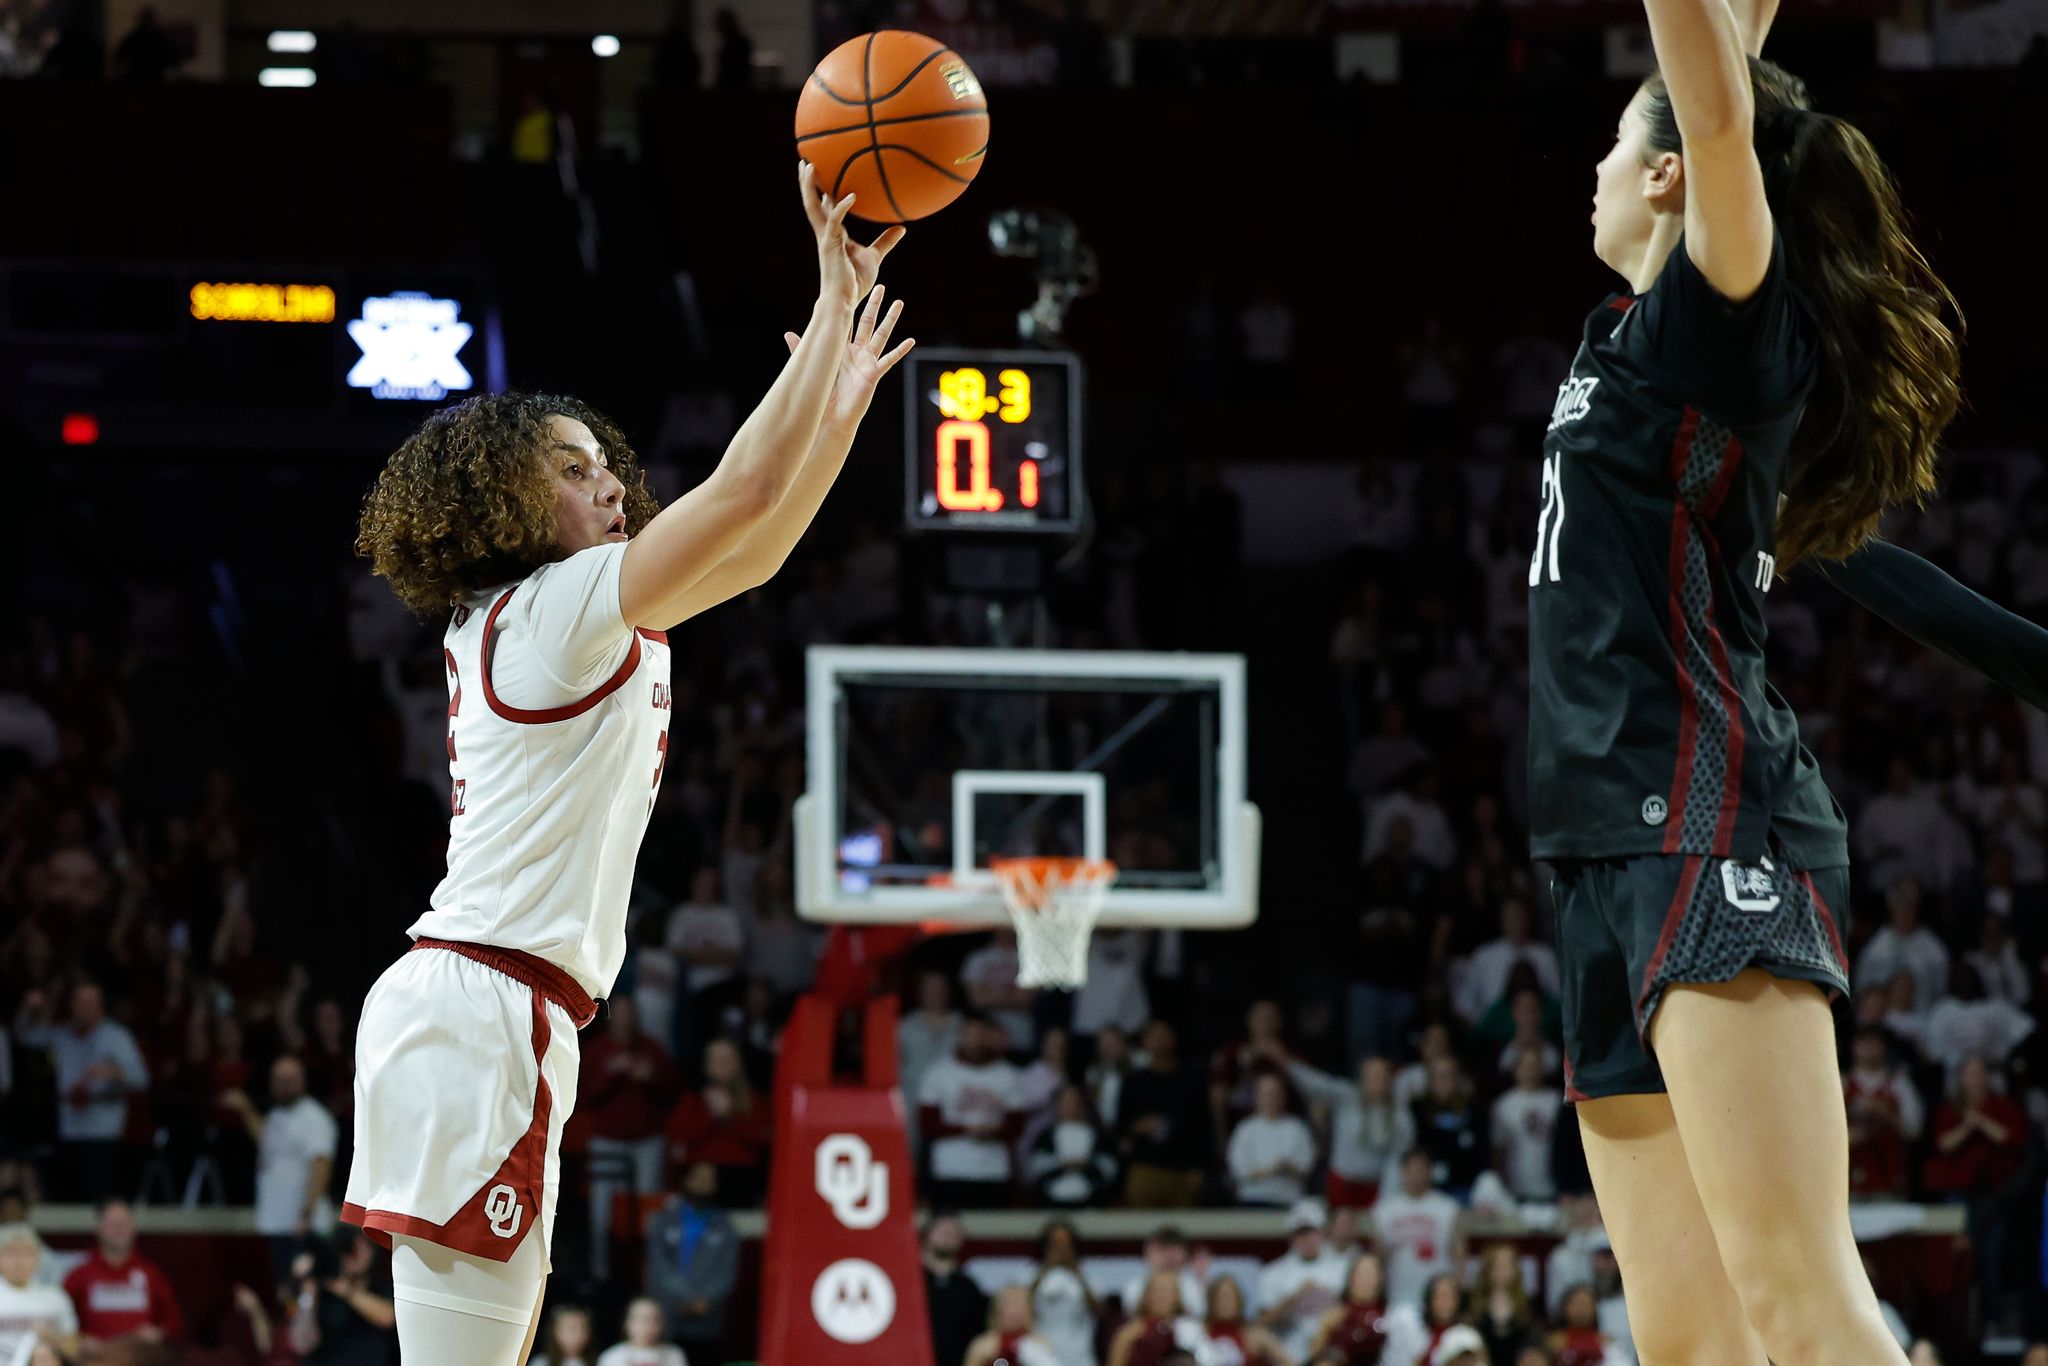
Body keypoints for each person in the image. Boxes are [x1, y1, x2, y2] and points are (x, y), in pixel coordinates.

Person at [341, 164, 912, 1365]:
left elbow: (751, 553)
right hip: (480, 1010)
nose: (603, 474)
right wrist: (819, 319)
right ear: (496, 499)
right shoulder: (548, 609)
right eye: (565, 463)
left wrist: (840, 404)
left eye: (601, 455)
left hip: (500, 1009)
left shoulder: (561, 612)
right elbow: (744, 488)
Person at [1526, 0, 1967, 1347]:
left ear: (1669, 170)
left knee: (1797, 1294)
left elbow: (1715, 91)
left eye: (1619, 137)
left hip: (1713, 821)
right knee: (1691, 1340)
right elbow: (1729, 55)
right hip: (1605, 842)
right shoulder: (1633, 331)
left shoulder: (1722, 315)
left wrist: (1702, 54)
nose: (1594, 165)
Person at [12, 982, 149, 1201]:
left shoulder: (117, 1036)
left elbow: (141, 1079)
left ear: (100, 1008)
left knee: (99, 1201)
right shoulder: (62, 1034)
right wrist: (27, 1010)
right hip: (68, 1132)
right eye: (78, 1002)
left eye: (89, 1003)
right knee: (68, 1201)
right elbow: (25, 1036)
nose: (82, 1008)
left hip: (102, 1135)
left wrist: (115, 1072)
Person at [578, 996, 679, 1278]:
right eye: (620, 1012)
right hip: (607, 1140)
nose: (625, 1017)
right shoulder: (597, 1050)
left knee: (649, 1212)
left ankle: (647, 1273)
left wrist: (651, 1077)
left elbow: (672, 1092)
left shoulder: (651, 1049)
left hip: (647, 1141)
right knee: (601, 1212)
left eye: (629, 1011)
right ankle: (600, 1274)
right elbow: (582, 1097)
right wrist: (612, 1074)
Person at [223, 1054, 338, 1292]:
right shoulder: (277, 1115)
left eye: (290, 1079)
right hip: (280, 1225)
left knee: (303, 1296)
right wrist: (245, 1110)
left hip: (304, 1228)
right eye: (279, 1079)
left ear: (303, 1081)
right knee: (286, 1294)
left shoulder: (313, 1118)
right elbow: (265, 1139)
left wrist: (306, 1214)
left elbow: (321, 1165)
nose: (284, 1085)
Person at [918, 1014, 1026, 1208]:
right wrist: (965, 1130)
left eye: (980, 1035)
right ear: (960, 1035)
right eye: (970, 1034)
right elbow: (927, 1123)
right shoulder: (939, 1072)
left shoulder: (1008, 1074)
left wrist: (992, 1132)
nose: (975, 1041)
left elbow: (1018, 1124)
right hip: (949, 1168)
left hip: (993, 1169)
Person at [1285, 1053, 1413, 1208]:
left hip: (1376, 1186)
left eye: (1382, 1076)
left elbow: (1399, 1156)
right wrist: (1285, 1063)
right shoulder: (1348, 1097)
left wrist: (1388, 1195)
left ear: (1390, 1080)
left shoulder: (1399, 1114)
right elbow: (1315, 1084)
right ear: (1363, 1079)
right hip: (1342, 1183)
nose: (1378, 1081)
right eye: (1373, 1076)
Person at [641, 1163, 737, 1361]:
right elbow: (658, 1265)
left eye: (709, 1178)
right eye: (699, 1176)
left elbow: (728, 1270)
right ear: (686, 1180)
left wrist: (704, 1300)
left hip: (707, 1315)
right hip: (666, 1313)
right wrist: (684, 1299)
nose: (704, 1183)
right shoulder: (663, 1220)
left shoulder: (726, 1226)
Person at [62, 1199, 184, 1351]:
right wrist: (79, 1340)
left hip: (140, 1357)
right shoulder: (80, 1274)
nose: (119, 1229)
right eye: (113, 1224)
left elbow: (174, 1322)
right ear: (99, 1227)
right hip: (97, 1359)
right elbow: (59, 1318)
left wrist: (158, 1333)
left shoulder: (150, 1273)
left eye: (124, 1223)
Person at [663, 1038, 769, 1206]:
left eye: (727, 1060)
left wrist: (730, 1117)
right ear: (707, 1064)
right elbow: (681, 1136)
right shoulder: (694, 1098)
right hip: (701, 1174)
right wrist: (711, 1115)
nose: (722, 1065)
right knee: (702, 1177)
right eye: (716, 1060)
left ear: (737, 1064)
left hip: (741, 1175)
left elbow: (761, 1139)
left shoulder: (753, 1100)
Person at [1118, 1021, 1211, 1208]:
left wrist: (1200, 1168)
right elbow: (1120, 1127)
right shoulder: (1134, 1082)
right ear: (1145, 1041)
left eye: (1164, 1035)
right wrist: (1138, 1126)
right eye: (1154, 1036)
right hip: (1145, 1169)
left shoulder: (1192, 1080)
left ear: (1174, 1039)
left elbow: (1204, 1127)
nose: (1159, 1041)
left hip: (1184, 1169)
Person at [1255, 1198, 1348, 1362]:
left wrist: (1330, 1301)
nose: (1308, 1239)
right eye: (1301, 1233)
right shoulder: (1273, 1272)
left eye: (1312, 1232)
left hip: (1332, 1351)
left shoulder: (1342, 1267)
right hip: (1287, 1354)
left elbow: (1354, 1310)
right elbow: (1261, 1324)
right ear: (1291, 1237)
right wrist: (1293, 1299)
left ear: (1323, 1233)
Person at [1370, 1150, 1464, 1313]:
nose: (1417, 1174)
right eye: (1412, 1169)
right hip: (1398, 1296)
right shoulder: (1385, 1210)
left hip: (1438, 1298)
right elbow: (1377, 1258)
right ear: (1403, 1171)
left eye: (1422, 1168)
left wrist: (1455, 1291)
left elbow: (1459, 1254)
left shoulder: (1448, 1208)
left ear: (1430, 1171)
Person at [287, 1229, 398, 1365]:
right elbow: (301, 1344)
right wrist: (309, 1291)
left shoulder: (383, 1287)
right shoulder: (321, 1292)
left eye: (365, 1247)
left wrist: (348, 1292)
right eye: (351, 1248)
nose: (358, 1254)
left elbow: (389, 1318)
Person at [1227, 1073, 1318, 1206]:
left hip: (1289, 1201)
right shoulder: (1245, 1129)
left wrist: (1287, 1168)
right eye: (1266, 1094)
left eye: (1275, 1093)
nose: (1271, 1099)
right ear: (1257, 1097)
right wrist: (1274, 1170)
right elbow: (1239, 1172)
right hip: (1252, 1200)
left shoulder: (1298, 1128)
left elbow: (1307, 1169)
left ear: (1284, 1096)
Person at [0, 1224, 79, 1365]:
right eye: (11, 1253)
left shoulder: (55, 1297)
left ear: (38, 1258)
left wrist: (52, 1339)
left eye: (26, 1253)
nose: (19, 1261)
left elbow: (73, 1350)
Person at [1491, 1048, 1563, 1201]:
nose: (1530, 1071)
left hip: (1555, 1187)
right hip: (1516, 1189)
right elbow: (1498, 1150)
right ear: (1515, 1070)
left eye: (1535, 1066)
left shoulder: (1558, 1101)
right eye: (1525, 1066)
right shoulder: (1504, 1105)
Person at [1029, 1221, 1100, 1366]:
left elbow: (1100, 1312)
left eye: (1066, 1244)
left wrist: (1076, 1272)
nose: (1061, 1250)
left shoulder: (1088, 1275)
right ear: (1046, 1247)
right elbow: (1022, 1308)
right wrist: (1045, 1270)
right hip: (1041, 1354)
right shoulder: (1030, 1274)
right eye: (1055, 1244)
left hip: (1081, 1356)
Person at [923, 1211, 989, 1366]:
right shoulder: (910, 1284)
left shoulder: (969, 1288)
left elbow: (980, 1336)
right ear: (927, 1233)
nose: (947, 1236)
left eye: (954, 1232)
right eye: (942, 1230)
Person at [1307, 1249, 1394, 1363]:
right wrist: (1325, 1330)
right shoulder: (1335, 1314)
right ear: (1351, 1278)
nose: (1366, 1279)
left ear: (1380, 1278)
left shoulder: (1391, 1315)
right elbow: (1314, 1353)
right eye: (1361, 1273)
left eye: (1371, 1273)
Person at [1106, 1271, 1200, 1366]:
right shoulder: (1130, 1332)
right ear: (1146, 1295)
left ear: (1177, 1296)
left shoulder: (1189, 1330)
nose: (1162, 1296)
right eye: (1157, 1290)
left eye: (1168, 1290)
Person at [1118, 1226, 1208, 1320]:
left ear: (1184, 1253)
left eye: (1174, 1250)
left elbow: (1199, 1316)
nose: (1169, 1256)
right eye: (1163, 1250)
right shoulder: (1136, 1286)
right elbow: (1133, 1316)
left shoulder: (1194, 1286)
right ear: (1149, 1251)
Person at [965, 1284, 1061, 1366]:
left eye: (1021, 1304)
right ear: (998, 1310)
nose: (1015, 1312)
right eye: (1010, 1304)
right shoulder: (982, 1346)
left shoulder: (1041, 1345)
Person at [1201, 1275, 1285, 1364]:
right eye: (1220, 1298)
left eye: (1230, 1298)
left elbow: (1288, 1362)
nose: (1225, 1304)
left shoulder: (1254, 1335)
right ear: (1211, 1301)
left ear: (1239, 1301)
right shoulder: (1200, 1333)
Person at [594, 1298, 687, 1366]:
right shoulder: (611, 1357)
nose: (648, 1326)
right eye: (642, 1319)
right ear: (627, 1323)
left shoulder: (674, 1354)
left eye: (654, 1319)